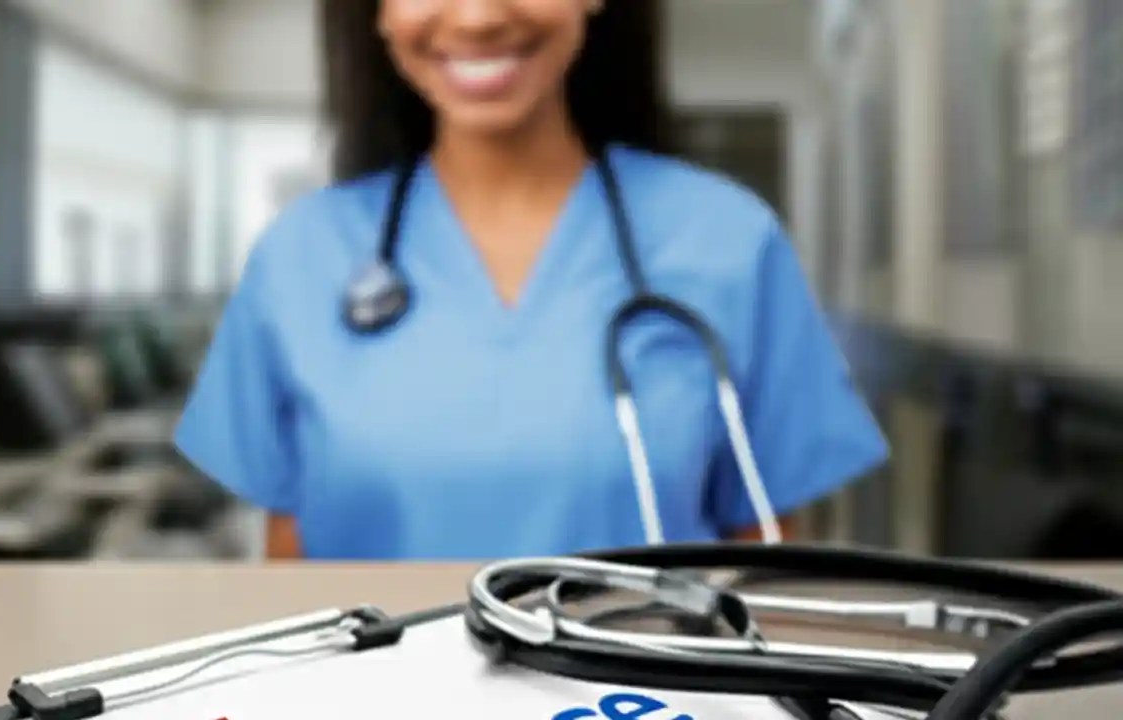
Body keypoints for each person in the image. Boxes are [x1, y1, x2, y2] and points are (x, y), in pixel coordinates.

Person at [174, 0, 888, 560]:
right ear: (378, 8)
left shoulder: (729, 240)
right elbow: (290, 567)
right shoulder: (301, 255)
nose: (479, 14)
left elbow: (765, 558)